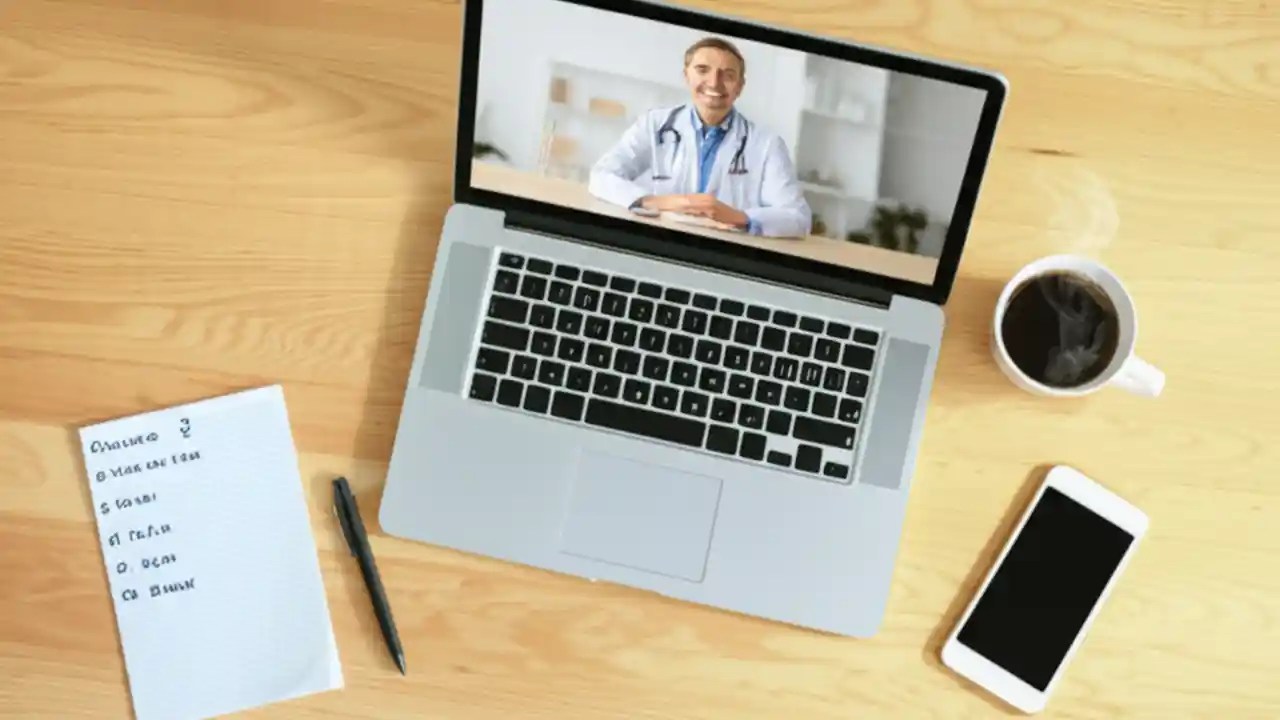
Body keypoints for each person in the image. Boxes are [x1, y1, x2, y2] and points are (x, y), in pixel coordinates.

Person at [588, 37, 811, 238]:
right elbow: (602, 176)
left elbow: (797, 218)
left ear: (740, 87)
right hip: (659, 241)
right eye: (702, 70)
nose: (714, 82)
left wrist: (737, 216)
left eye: (728, 75)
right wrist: (665, 202)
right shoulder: (654, 124)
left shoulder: (766, 145)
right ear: (686, 75)